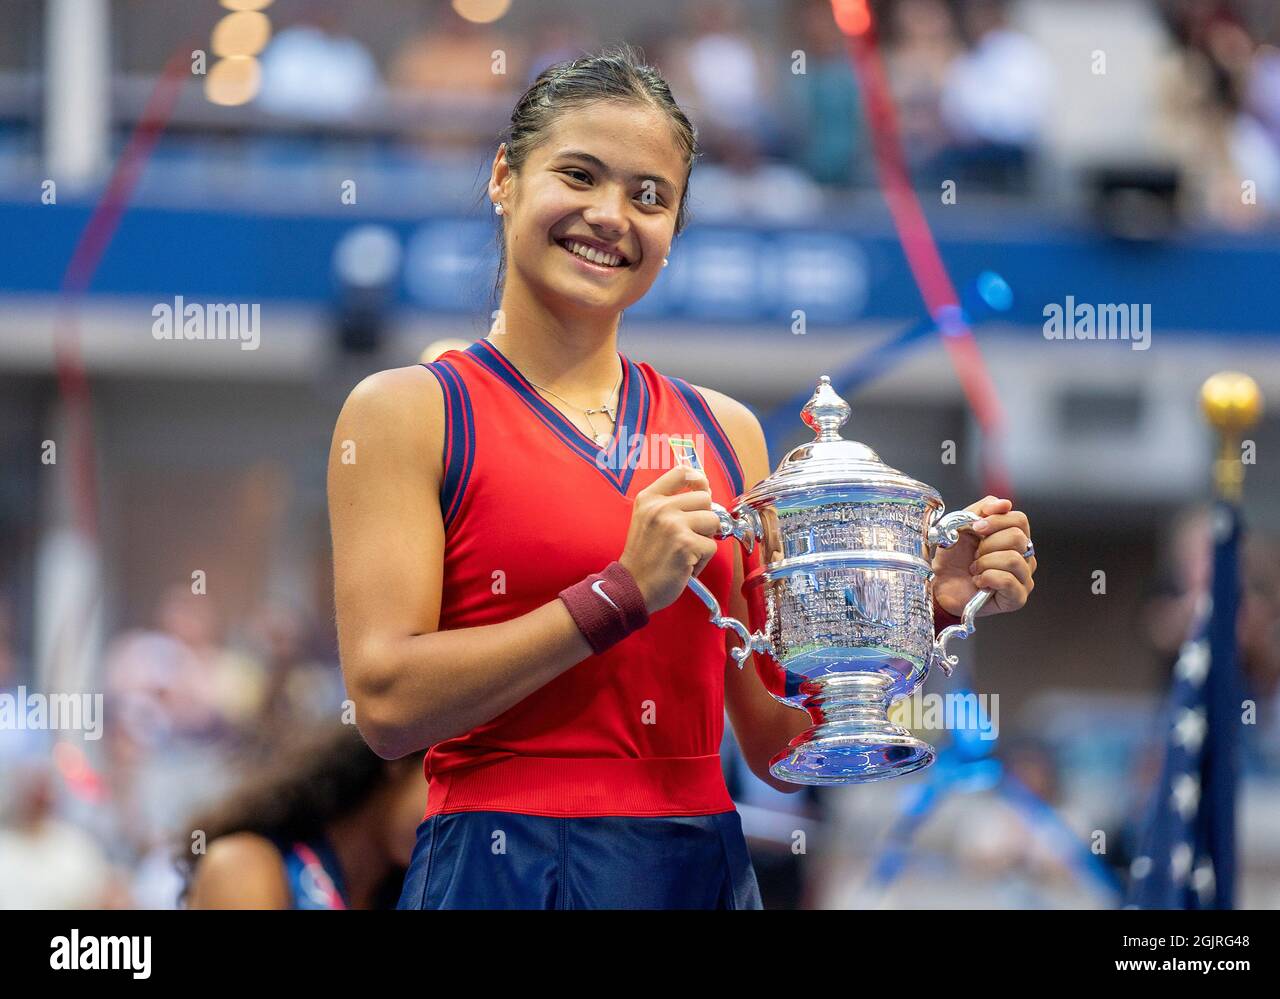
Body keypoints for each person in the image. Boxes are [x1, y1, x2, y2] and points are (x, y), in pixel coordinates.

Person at [327, 45, 1038, 910]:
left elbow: (777, 740)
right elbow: (387, 704)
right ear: (504, 177)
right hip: (497, 867)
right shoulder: (408, 411)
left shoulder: (725, 432)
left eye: (649, 195)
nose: (610, 215)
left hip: (695, 868)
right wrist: (619, 593)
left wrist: (921, 609)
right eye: (579, 175)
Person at [179, 725, 426, 909]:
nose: (455, 811)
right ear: (399, 759)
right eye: (450, 783)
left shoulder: (416, 895)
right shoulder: (243, 862)